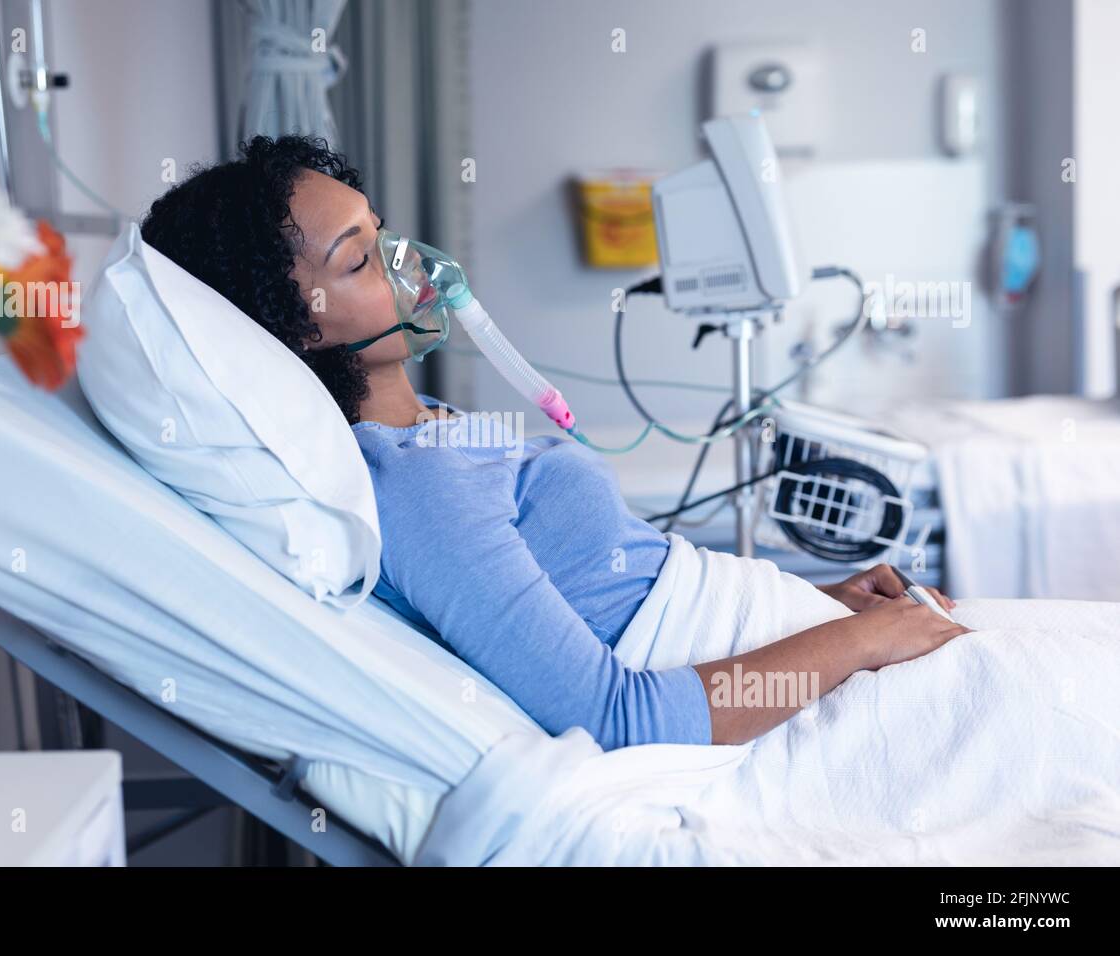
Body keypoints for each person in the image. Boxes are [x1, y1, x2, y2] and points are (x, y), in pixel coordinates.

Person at [140, 134, 969, 751]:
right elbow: (622, 717)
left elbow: (627, 579)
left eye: (380, 228)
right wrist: (865, 642)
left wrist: (825, 600)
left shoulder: (432, 421)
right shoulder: (416, 494)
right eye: (360, 261)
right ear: (294, 328)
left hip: (789, 637)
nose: (407, 259)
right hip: (797, 689)